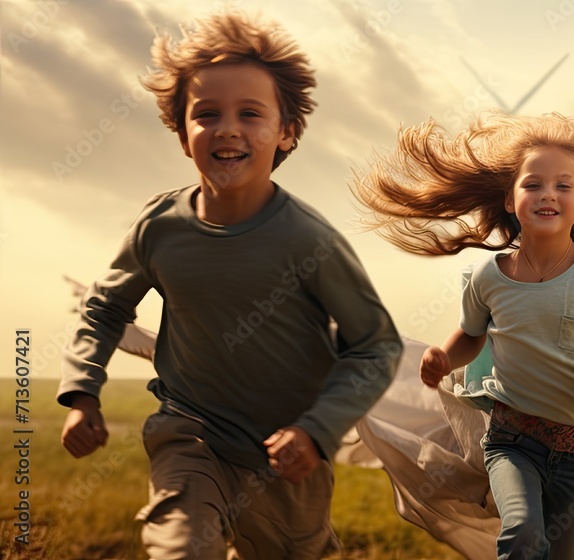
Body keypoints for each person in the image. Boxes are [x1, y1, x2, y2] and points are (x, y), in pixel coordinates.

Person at [57, 10, 402, 560]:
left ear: (286, 130)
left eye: (251, 113)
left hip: (287, 458)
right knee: (180, 547)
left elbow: (375, 345)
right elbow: (104, 308)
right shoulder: (159, 227)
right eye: (207, 113)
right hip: (188, 432)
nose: (228, 128)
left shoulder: (310, 242)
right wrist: (81, 395)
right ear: (181, 132)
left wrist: (316, 431)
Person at [353, 111, 574, 559]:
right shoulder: (490, 277)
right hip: (510, 443)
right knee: (521, 536)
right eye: (533, 184)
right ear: (509, 198)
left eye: (563, 185)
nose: (548, 194)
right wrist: (444, 356)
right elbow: (470, 335)